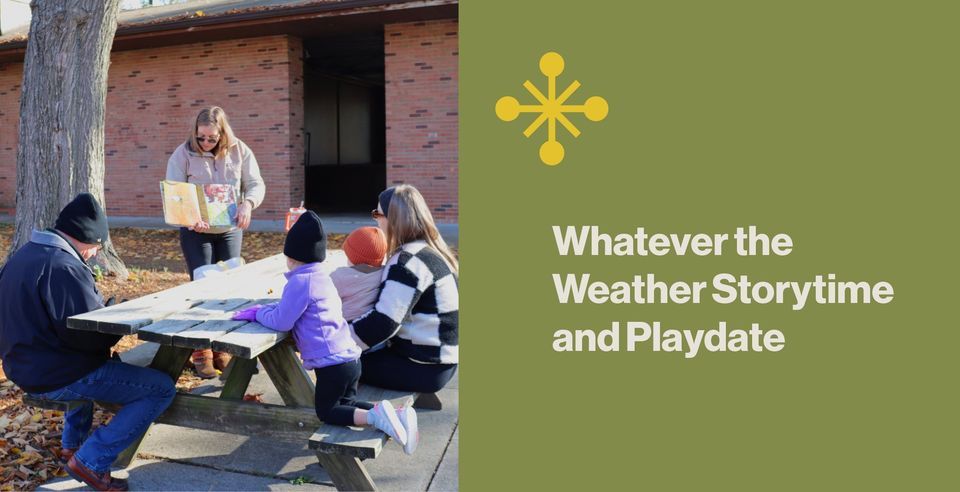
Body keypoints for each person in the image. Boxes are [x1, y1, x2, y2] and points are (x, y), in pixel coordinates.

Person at [0, 193, 176, 491]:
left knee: (94, 363)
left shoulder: (25, 254)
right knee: (159, 388)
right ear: (82, 237)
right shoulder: (63, 267)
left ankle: (73, 446)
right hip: (54, 374)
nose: (95, 253)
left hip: (23, 364)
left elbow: (67, 322)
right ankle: (91, 460)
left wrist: (106, 306)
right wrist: (121, 319)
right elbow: (87, 337)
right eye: (96, 246)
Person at [231, 212, 418, 454]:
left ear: (290, 257)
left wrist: (257, 313)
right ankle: (396, 414)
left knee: (327, 411)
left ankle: (377, 417)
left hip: (332, 364)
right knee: (346, 404)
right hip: (351, 357)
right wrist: (271, 308)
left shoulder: (300, 281)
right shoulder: (322, 277)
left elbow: (281, 321)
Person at [165, 106, 265, 378]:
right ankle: (201, 352)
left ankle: (223, 349)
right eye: (202, 138)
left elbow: (256, 183)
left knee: (228, 290)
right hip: (196, 232)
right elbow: (174, 194)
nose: (207, 143)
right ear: (194, 133)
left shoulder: (239, 150)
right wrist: (188, 217)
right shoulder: (182, 154)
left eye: (212, 138)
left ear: (223, 133)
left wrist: (247, 204)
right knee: (202, 289)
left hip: (230, 229)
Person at [351, 185, 459, 394]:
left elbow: (383, 323)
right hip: (442, 363)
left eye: (377, 214)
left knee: (332, 362)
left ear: (393, 220)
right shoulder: (432, 252)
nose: (375, 220)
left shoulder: (407, 261)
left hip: (421, 367)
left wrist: (335, 341)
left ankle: (351, 415)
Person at [330, 226, 388, 322]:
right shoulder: (384, 273)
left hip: (345, 323)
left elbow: (324, 297)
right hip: (371, 323)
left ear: (353, 257)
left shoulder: (340, 276)